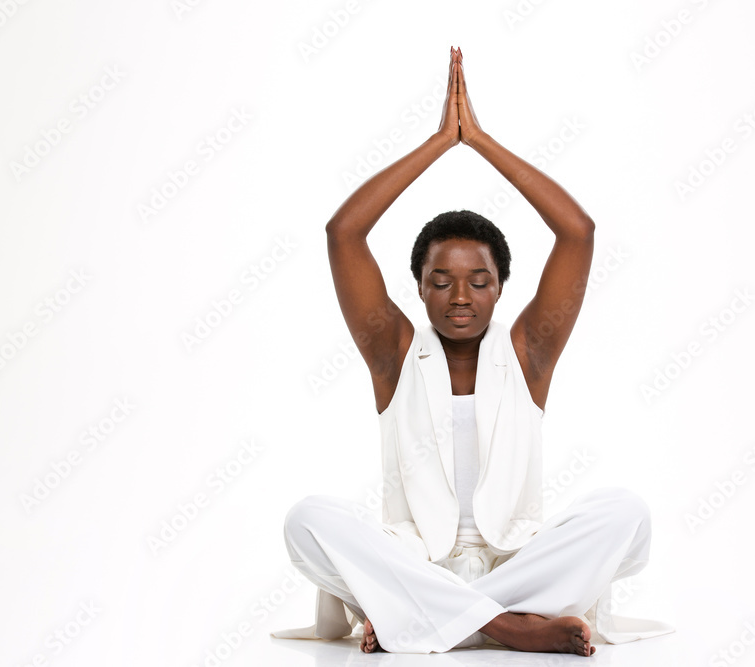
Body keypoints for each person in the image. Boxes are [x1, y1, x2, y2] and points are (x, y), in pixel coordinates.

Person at [272, 46, 673, 656]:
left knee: (626, 513)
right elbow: (343, 233)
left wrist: (479, 141)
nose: (460, 297)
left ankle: (424, 615)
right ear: (419, 288)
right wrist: (440, 143)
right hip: (414, 559)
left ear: (500, 287)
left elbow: (578, 232)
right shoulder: (394, 352)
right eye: (440, 281)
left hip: (517, 561)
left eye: (478, 281)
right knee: (306, 519)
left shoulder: (528, 352)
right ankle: (503, 625)